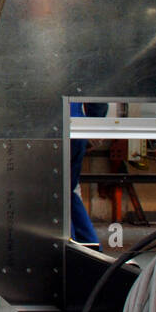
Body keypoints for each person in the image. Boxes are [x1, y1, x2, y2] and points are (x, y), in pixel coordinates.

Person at [69, 101, 107, 246]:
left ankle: (70, 255)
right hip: (76, 129)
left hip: (47, 131)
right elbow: (98, 101)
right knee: (67, 194)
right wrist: (93, 128)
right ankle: (91, 248)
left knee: (54, 196)